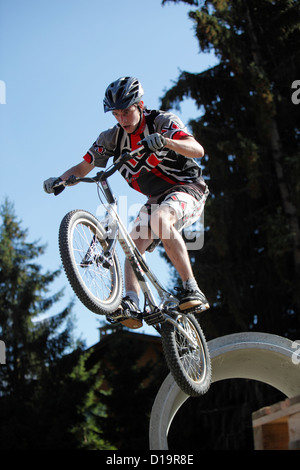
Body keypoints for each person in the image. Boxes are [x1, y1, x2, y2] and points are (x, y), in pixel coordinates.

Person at [44, 76, 210, 329]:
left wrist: (165, 141)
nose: (122, 119)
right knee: (132, 247)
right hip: (155, 199)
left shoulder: (161, 121)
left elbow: (197, 149)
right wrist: (61, 180)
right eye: (116, 114)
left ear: (140, 105)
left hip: (187, 188)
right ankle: (131, 301)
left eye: (126, 112)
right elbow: (83, 167)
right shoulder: (110, 138)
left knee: (161, 218)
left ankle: (191, 287)